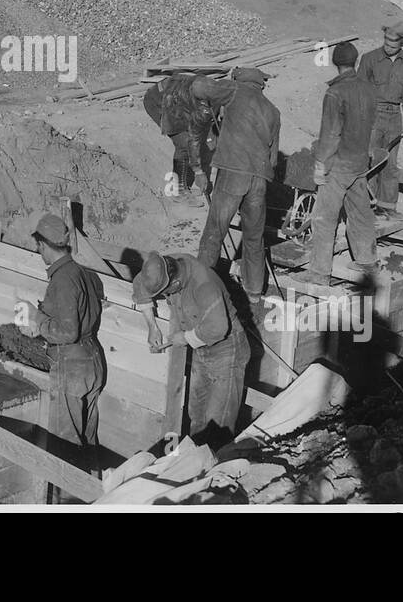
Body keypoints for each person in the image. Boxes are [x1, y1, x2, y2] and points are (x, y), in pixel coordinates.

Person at [132, 251, 248, 446]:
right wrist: (152, 326)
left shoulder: (204, 285)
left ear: (175, 284)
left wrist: (186, 337)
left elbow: (218, 328)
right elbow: (139, 285)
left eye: (165, 293)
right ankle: (194, 462)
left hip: (227, 351)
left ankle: (215, 465)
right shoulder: (159, 268)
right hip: (201, 350)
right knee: (197, 414)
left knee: (218, 423)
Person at [20, 213, 106, 467]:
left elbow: (68, 332)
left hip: (72, 367)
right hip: (92, 360)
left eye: (39, 246)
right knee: (88, 441)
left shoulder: (62, 279)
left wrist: (38, 322)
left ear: (44, 245)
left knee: (64, 449)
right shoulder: (81, 272)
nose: (38, 251)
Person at [194, 67, 281, 296]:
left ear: (240, 79)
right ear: (261, 85)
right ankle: (254, 292)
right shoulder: (273, 111)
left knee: (215, 231)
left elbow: (199, 86)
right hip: (259, 181)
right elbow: (273, 160)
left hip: (234, 173)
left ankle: (199, 289)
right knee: (254, 237)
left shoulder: (234, 89)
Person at [310, 42, 377, 276]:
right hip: (360, 162)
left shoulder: (334, 93)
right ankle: (366, 260)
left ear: (334, 63)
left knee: (324, 218)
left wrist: (320, 164)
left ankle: (319, 273)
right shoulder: (369, 89)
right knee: (361, 213)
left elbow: (330, 133)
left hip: (339, 165)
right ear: (356, 62)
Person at [358, 22, 403, 219]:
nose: (388, 47)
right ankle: (367, 208)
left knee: (390, 165)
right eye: (386, 42)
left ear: (402, 44)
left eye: (393, 44)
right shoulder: (369, 59)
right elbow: (359, 92)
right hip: (373, 114)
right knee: (372, 162)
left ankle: (388, 206)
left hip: (394, 117)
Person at [142, 72, 214, 207]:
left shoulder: (206, 88)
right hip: (157, 102)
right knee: (183, 144)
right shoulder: (176, 99)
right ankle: (178, 191)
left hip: (178, 101)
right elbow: (192, 137)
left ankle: (184, 184)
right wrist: (199, 171)